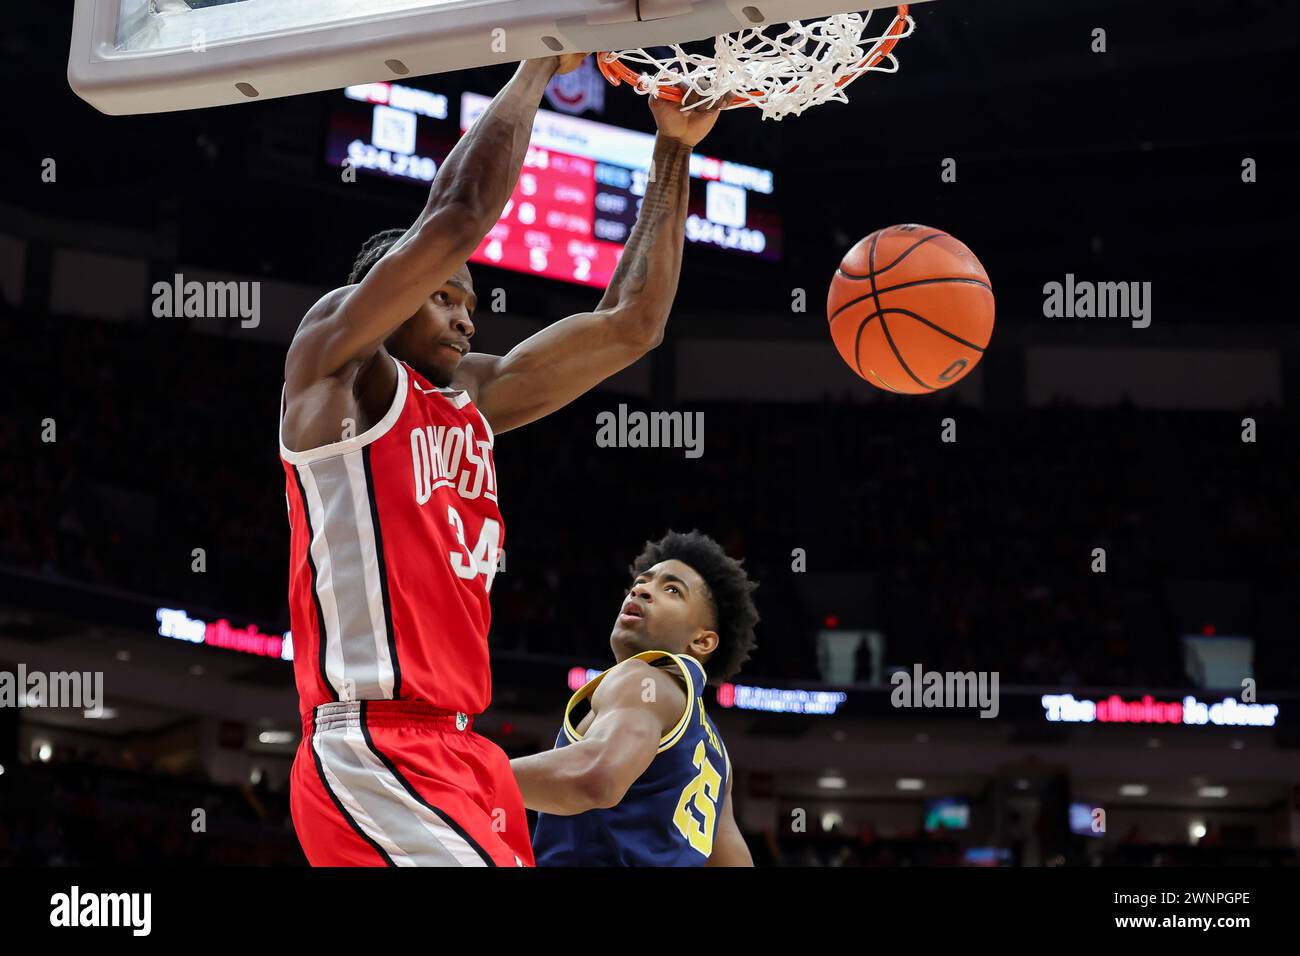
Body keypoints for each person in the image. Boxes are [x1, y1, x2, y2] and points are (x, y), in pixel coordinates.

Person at [279, 56, 730, 866]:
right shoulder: (335, 368)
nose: (464, 320)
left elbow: (633, 324)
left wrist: (672, 147)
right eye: (443, 296)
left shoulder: (473, 400)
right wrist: (538, 61)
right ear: (383, 292)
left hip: (458, 752)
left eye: (472, 306)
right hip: (374, 744)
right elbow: (458, 214)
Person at [513, 530, 758, 866]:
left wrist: (474, 775)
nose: (642, 590)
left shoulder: (644, 678)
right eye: (641, 582)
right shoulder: (717, 757)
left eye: (672, 590)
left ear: (702, 642)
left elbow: (596, 778)